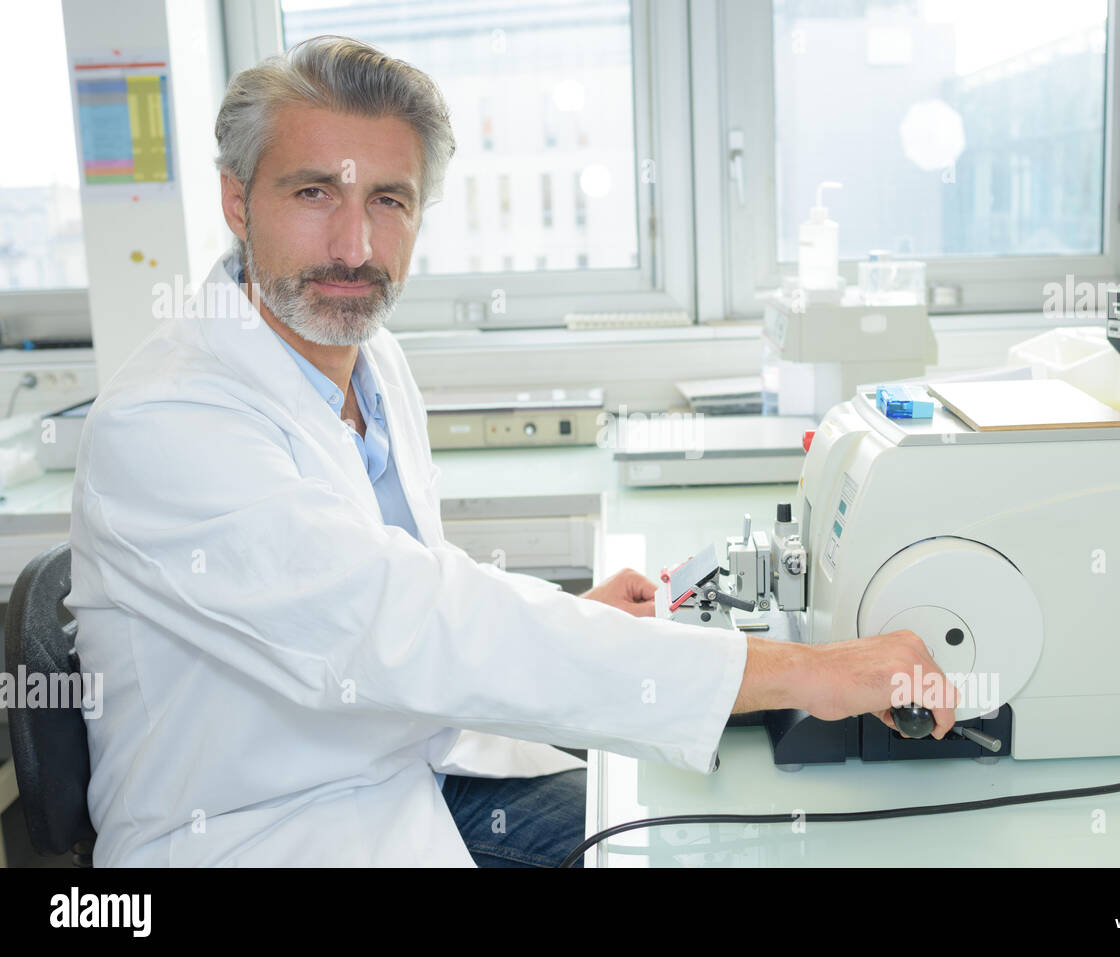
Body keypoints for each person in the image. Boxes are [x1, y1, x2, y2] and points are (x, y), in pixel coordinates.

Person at [67, 35, 954, 867]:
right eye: (312, 194)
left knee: (713, 835)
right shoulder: (168, 420)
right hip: (262, 830)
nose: (355, 246)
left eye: (389, 199)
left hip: (418, 774)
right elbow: (401, 621)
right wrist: (802, 670)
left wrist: (585, 616)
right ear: (236, 200)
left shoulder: (371, 362)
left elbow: (422, 582)